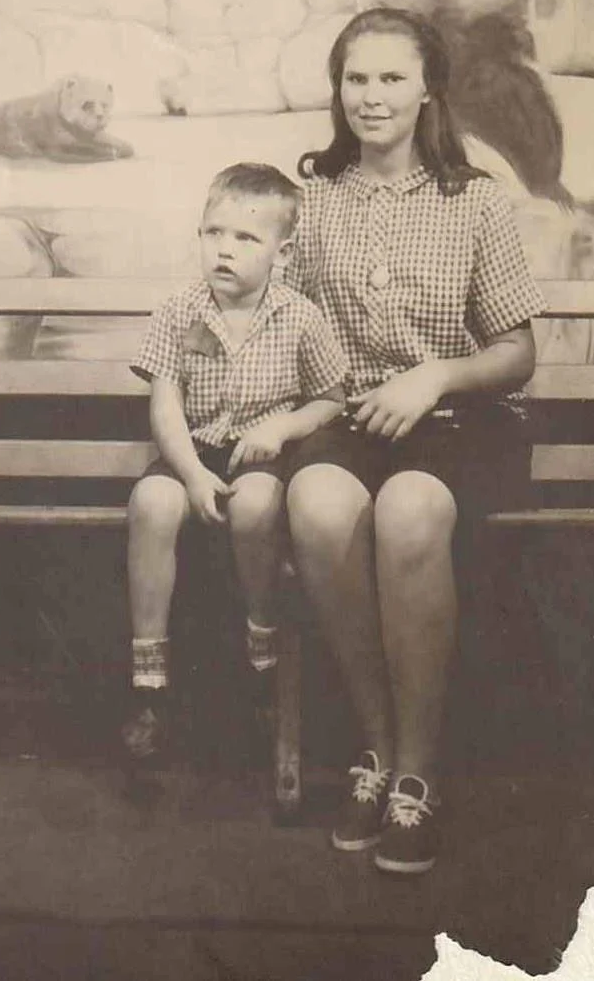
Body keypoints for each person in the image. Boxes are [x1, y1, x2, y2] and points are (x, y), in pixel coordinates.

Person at [285, 7, 544, 874]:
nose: (371, 96)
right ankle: (378, 749)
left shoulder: (475, 199)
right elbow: (280, 326)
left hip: (457, 424)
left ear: (429, 88)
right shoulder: (313, 200)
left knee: (406, 511)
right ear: (337, 90)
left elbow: (517, 352)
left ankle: (419, 777)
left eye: (392, 77)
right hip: (350, 421)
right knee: (317, 503)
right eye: (355, 78)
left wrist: (433, 376)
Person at [123, 162, 349, 763]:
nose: (225, 250)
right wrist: (192, 473)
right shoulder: (179, 310)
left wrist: (283, 426)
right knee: (152, 501)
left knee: (255, 505)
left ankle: (262, 646)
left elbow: (332, 398)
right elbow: (165, 406)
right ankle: (148, 680)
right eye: (214, 233)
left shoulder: (298, 315)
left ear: (283, 251)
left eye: (247, 238)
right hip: (193, 449)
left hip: (258, 454)